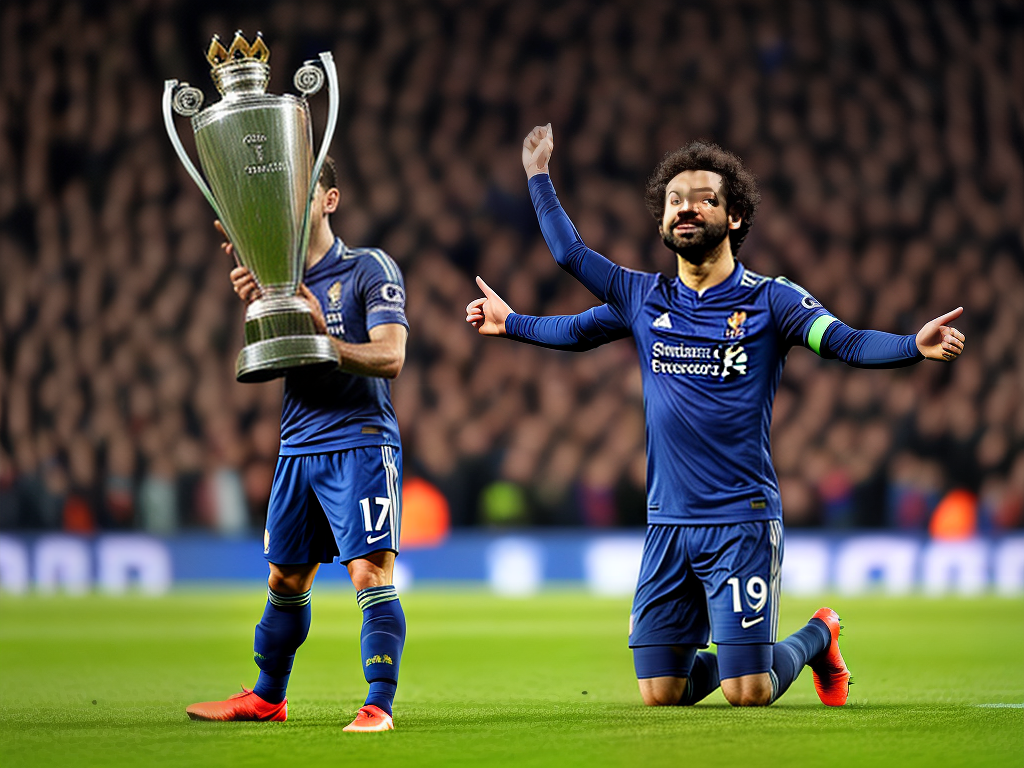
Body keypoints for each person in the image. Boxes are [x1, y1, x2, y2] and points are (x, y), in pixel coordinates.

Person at [467, 126, 966, 708]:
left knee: (746, 692)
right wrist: (536, 185)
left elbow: (846, 343)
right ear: (661, 222)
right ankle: (735, 651)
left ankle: (817, 635)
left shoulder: (773, 300)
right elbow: (571, 275)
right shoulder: (643, 297)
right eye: (675, 200)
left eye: (704, 198)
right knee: (660, 693)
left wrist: (912, 344)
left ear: (734, 217)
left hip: (741, 519)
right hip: (668, 520)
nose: (686, 208)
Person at [186, 157, 409, 732]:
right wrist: (262, 308)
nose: (290, 207)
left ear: (329, 200)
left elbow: (390, 357)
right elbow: (274, 362)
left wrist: (323, 334)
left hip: (360, 441)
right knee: (285, 579)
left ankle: (378, 705)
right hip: (296, 446)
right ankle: (267, 698)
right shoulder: (279, 279)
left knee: (368, 571)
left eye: (304, 195)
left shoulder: (367, 268)